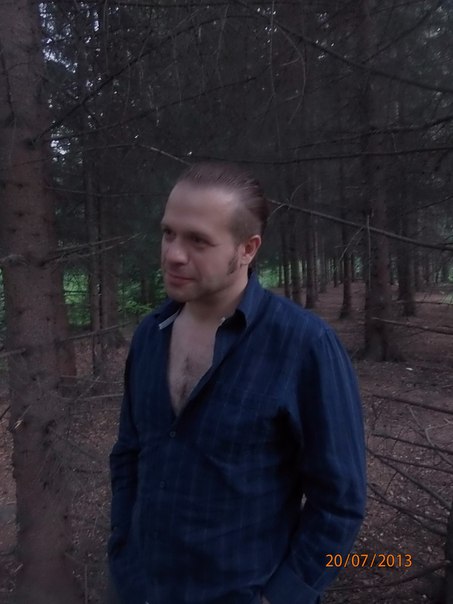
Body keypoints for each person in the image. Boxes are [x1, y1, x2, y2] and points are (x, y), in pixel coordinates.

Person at [108, 162, 367, 604]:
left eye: (198, 240)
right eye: (168, 233)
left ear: (247, 249)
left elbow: (339, 503)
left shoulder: (304, 346)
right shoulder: (150, 335)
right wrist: (122, 553)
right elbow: (129, 454)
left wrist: (283, 595)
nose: (173, 254)